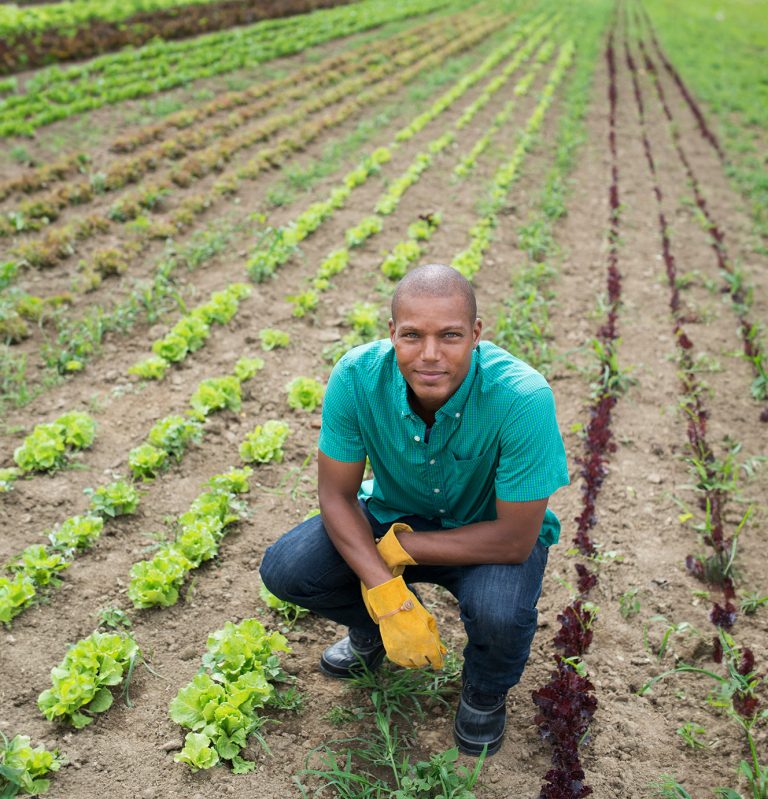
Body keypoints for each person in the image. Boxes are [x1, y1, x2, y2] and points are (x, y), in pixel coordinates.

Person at [260, 263, 569, 756]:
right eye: (412, 335)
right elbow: (337, 495)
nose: (430, 355)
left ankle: (485, 691)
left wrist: (399, 548)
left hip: (486, 534)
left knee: (500, 613)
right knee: (288, 569)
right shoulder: (358, 378)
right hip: (393, 509)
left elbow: (514, 539)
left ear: (476, 334)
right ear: (392, 334)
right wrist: (387, 597)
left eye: (450, 336)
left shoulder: (521, 399)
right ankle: (375, 628)